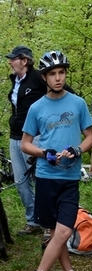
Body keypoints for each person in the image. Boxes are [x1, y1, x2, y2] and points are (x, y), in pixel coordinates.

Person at [22, 51, 92, 271]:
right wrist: (45, 153)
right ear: (44, 77)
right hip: (45, 177)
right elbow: (25, 144)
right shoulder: (36, 108)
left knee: (63, 232)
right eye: (52, 74)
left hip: (70, 179)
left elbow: (91, 138)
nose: (58, 78)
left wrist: (77, 150)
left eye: (61, 73)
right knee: (56, 233)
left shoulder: (77, 103)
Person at [6, 45, 46, 235]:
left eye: (13, 59)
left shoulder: (38, 77)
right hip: (15, 135)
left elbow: (63, 92)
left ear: (24, 60)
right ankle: (33, 220)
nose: (10, 62)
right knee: (21, 180)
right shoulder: (15, 80)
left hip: (35, 136)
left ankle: (47, 222)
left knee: (40, 178)